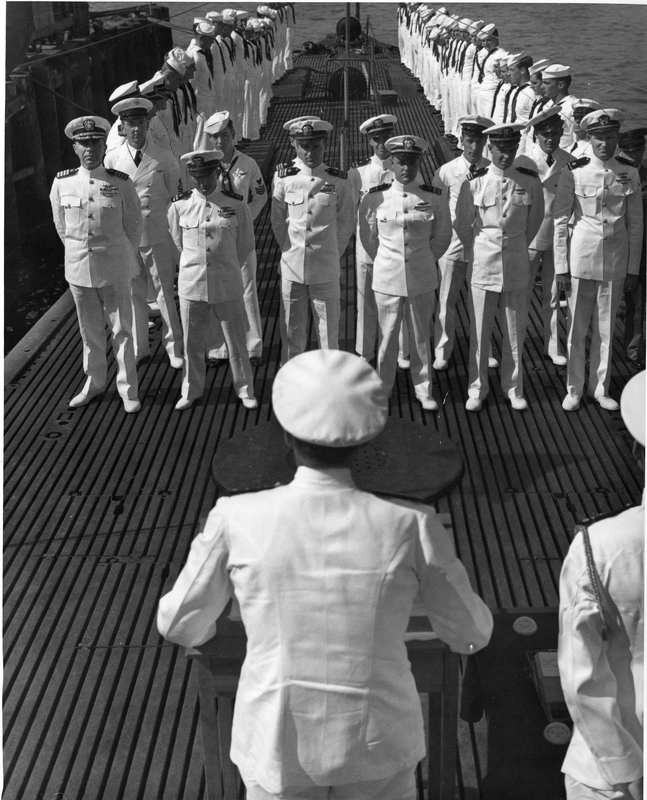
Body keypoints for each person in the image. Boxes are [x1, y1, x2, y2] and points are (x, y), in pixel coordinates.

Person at [158, 348, 493, 800]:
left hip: (277, 744)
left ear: (285, 435)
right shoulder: (413, 524)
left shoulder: (234, 518)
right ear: (366, 440)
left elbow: (179, 623)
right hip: (379, 745)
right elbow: (471, 633)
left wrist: (221, 624)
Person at [558, 369, 644, 800]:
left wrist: (623, 767)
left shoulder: (601, 546)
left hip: (611, 775)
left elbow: (581, 673)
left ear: (638, 451)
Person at [49, 116, 142, 413]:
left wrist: (120, 255)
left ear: (104, 146)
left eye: (95, 143)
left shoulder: (120, 182)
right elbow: (62, 227)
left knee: (122, 331)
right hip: (79, 269)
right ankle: (95, 383)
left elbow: (134, 226)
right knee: (89, 333)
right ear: (75, 148)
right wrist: (78, 252)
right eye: (84, 143)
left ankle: (128, 389)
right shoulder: (62, 183)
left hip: (115, 267)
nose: (90, 149)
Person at [554, 108, 643, 411]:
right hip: (581, 260)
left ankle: (600, 388)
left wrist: (632, 270)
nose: (604, 144)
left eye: (610, 137)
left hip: (615, 261)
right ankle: (574, 389)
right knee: (577, 330)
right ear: (589, 139)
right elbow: (560, 222)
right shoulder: (574, 172)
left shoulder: (629, 172)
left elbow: (635, 224)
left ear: (617, 138)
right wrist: (561, 267)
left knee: (606, 330)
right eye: (598, 138)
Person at [455, 122, 544, 412]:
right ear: (490, 148)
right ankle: (477, 388)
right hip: (483, 265)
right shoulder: (475, 181)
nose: (506, 155)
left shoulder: (530, 181)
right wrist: (479, 250)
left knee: (515, 332)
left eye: (511, 149)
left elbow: (534, 221)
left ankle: (513, 388)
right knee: (480, 333)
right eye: (500, 149)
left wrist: (517, 247)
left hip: (516, 265)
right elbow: (463, 223)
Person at [359, 135, 452, 411]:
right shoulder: (375, 198)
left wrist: (424, 260)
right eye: (401, 162)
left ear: (419, 162)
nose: (406, 168)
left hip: (421, 276)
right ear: (391, 162)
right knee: (387, 338)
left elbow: (443, 236)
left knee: (421, 336)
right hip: (387, 277)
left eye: (412, 162)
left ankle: (424, 390)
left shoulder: (433, 197)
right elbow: (368, 238)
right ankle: (383, 390)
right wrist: (388, 261)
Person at [167, 149, 258, 411]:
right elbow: (177, 243)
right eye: (197, 177)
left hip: (226, 282)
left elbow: (245, 244)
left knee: (237, 342)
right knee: (192, 344)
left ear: (217, 173)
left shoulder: (235, 204)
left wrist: (224, 264)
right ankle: (191, 390)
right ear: (190, 176)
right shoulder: (179, 206)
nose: (203, 182)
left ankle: (245, 389)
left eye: (207, 175)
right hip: (192, 284)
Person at [105, 97, 184, 370]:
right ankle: (140, 347)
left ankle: (174, 346)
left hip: (157, 234)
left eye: (140, 122)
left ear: (147, 124)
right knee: (133, 294)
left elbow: (177, 199)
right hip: (128, 239)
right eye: (131, 124)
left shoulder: (163, 157)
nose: (136, 129)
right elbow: (111, 202)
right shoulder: (112, 159)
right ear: (123, 128)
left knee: (165, 293)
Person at [271, 118, 355, 362]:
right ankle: (292, 378)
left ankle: (328, 381)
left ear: (324, 145)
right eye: (304, 146)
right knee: (291, 333)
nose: (310, 153)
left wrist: (330, 252)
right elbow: (278, 220)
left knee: (328, 334)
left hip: (325, 267)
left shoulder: (338, 180)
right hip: (292, 266)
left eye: (315, 146)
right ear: (294, 145)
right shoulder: (284, 178)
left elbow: (346, 222)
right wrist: (289, 249)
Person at [204, 110, 267, 366]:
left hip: (241, 236)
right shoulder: (205, 166)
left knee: (247, 288)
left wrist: (246, 219)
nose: (221, 142)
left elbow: (261, 196)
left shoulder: (248, 164)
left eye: (225, 136)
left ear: (233, 135)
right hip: (216, 236)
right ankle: (217, 348)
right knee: (216, 289)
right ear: (210, 140)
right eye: (215, 137)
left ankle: (253, 347)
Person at [432, 115, 493, 371]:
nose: (474, 147)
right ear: (462, 140)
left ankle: (484, 351)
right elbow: (437, 209)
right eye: (469, 141)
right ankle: (442, 350)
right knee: (446, 300)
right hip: (452, 243)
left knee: (483, 303)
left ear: (485, 142)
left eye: (479, 141)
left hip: (482, 244)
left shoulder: (493, 170)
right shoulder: (446, 172)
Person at [526, 105, 575, 366]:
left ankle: (553, 346)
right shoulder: (524, 162)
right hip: (530, 236)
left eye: (555, 133)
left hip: (558, 237)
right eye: (545, 134)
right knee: (520, 294)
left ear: (561, 133)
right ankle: (515, 343)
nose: (550, 139)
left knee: (554, 296)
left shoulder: (570, 161)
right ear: (536, 135)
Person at [352, 113, 398, 363]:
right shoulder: (357, 173)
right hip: (366, 245)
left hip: (395, 246)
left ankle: (399, 350)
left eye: (386, 137)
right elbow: (349, 211)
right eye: (376, 139)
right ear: (370, 141)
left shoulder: (404, 168)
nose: (382, 144)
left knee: (397, 299)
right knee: (365, 299)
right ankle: (365, 350)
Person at [618, 127, 647, 367]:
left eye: (636, 150)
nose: (632, 156)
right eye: (627, 151)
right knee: (631, 302)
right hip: (621, 246)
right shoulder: (616, 176)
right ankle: (633, 349)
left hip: (644, 247)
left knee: (640, 302)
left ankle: (638, 351)